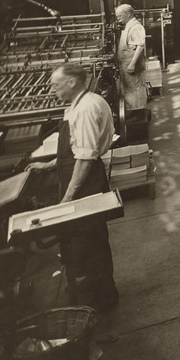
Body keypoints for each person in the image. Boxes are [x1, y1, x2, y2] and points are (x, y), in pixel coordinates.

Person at [49, 63, 120, 310]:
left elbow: (86, 156)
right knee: (90, 240)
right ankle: (101, 292)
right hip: (80, 174)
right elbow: (76, 145)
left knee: (88, 241)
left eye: (55, 84)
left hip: (84, 181)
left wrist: (68, 197)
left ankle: (98, 301)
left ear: (71, 82)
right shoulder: (81, 104)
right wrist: (49, 164)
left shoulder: (87, 108)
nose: (52, 89)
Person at [116, 3, 147, 110]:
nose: (118, 19)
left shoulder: (136, 27)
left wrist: (132, 64)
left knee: (136, 91)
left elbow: (140, 46)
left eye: (119, 16)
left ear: (128, 14)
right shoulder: (127, 26)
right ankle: (132, 112)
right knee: (130, 92)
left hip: (132, 67)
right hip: (127, 66)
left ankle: (139, 114)